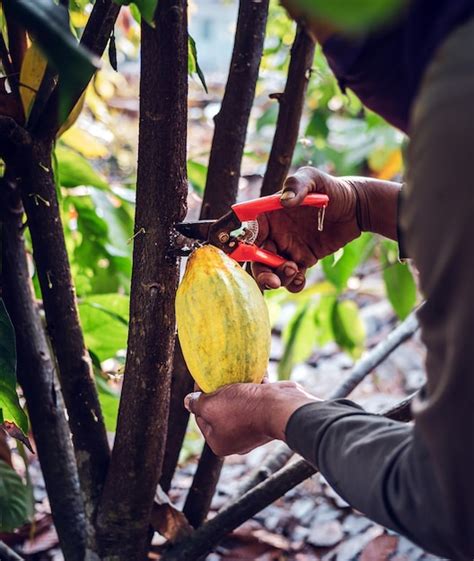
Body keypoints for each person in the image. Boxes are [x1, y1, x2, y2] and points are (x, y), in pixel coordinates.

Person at [184, 1, 474, 558]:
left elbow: (448, 498)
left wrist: (280, 411)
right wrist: (365, 205)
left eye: (312, 23)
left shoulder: (461, 107)